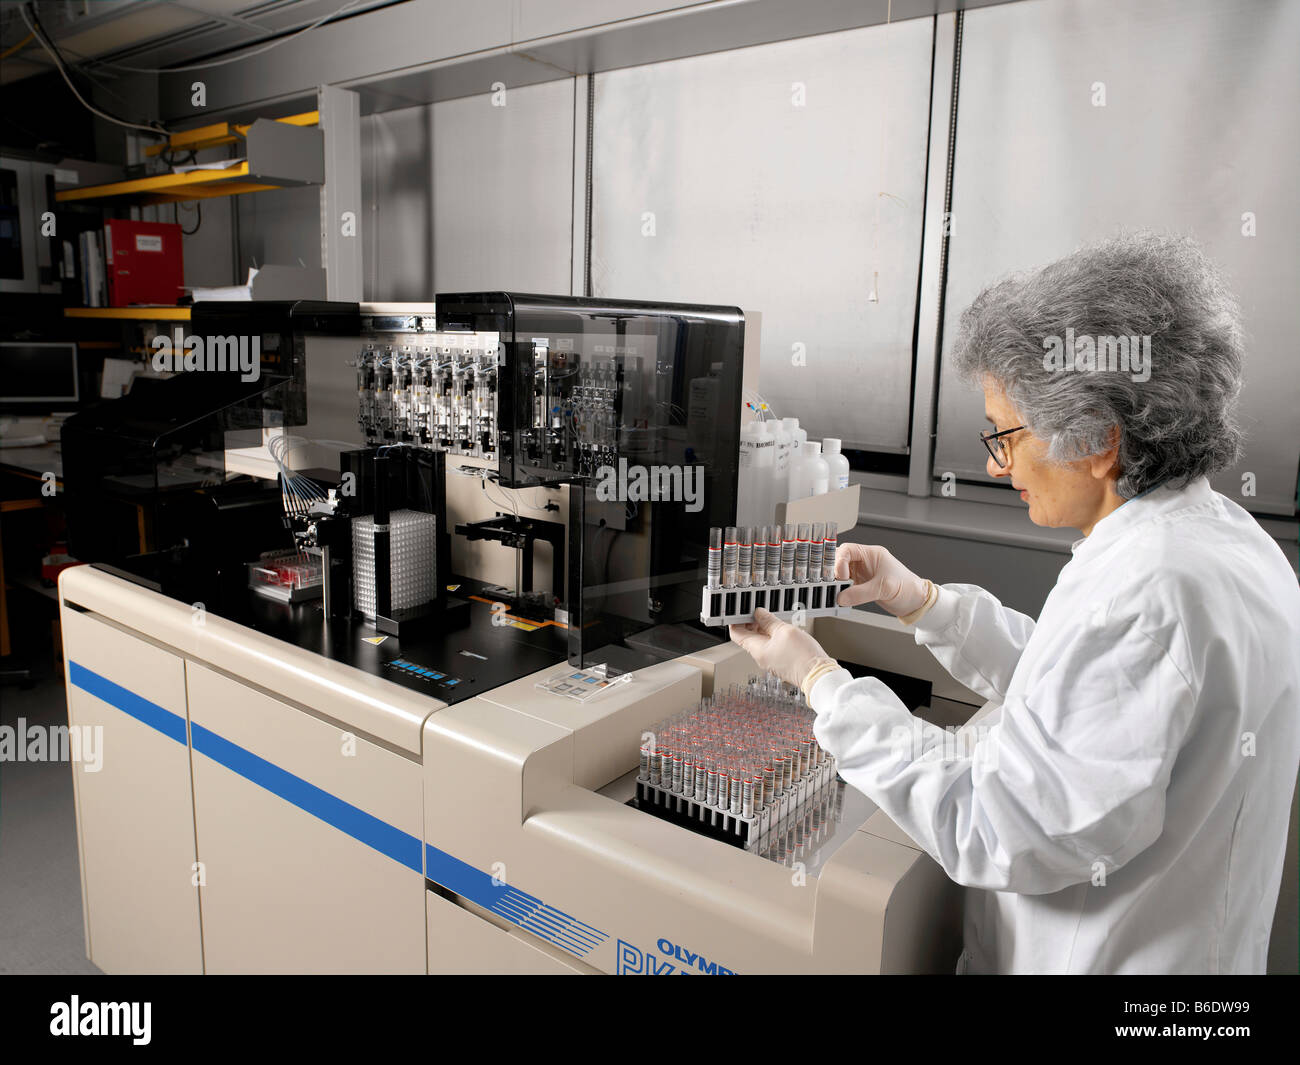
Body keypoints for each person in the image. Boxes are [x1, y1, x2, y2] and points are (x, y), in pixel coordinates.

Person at [732, 232, 1300, 974]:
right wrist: (922, 602)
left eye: (1006, 434)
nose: (997, 465)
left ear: (1097, 440)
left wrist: (822, 683)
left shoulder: (1154, 590)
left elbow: (995, 825)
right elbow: (1075, 689)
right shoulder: (1221, 539)